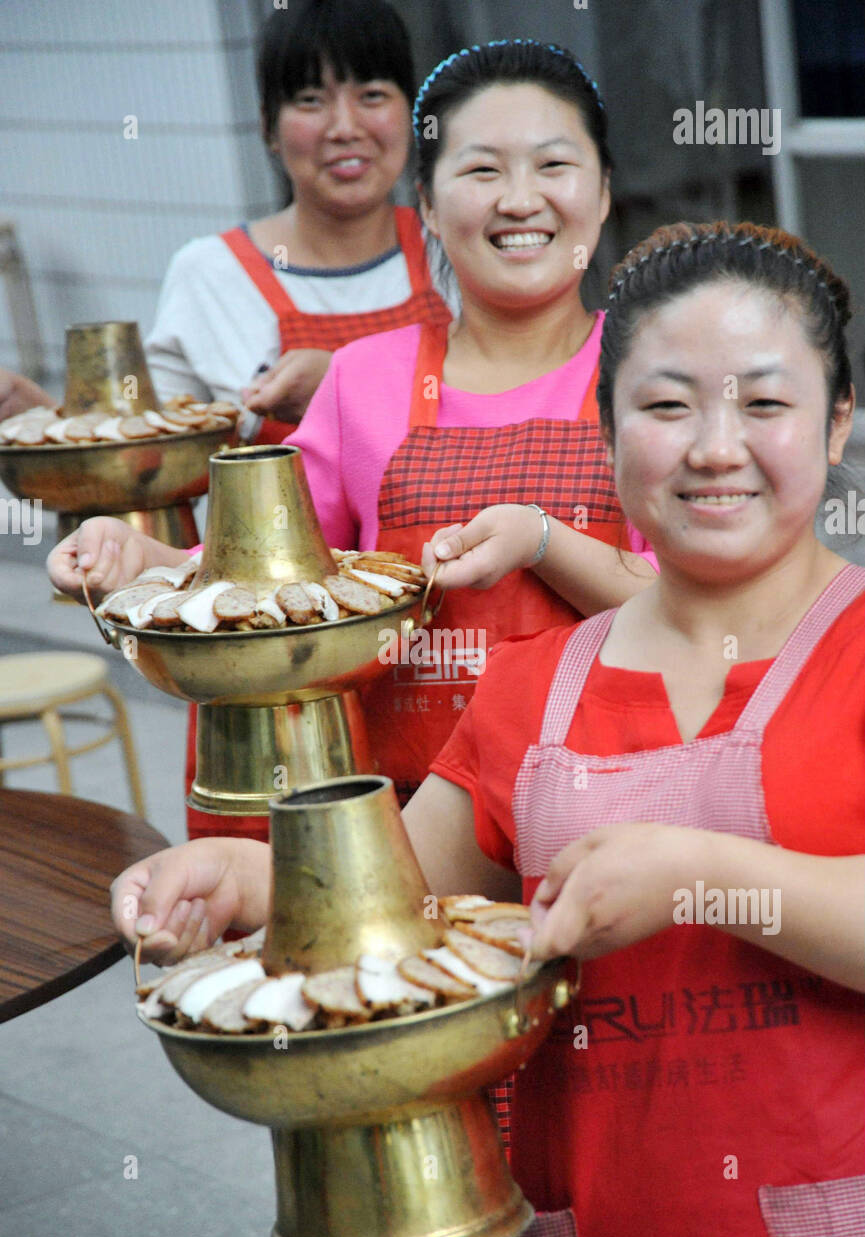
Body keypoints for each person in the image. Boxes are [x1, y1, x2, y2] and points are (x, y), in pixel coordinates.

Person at [108, 221, 864, 1237]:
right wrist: (239, 880)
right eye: (664, 404)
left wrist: (700, 878)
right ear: (604, 431)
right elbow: (397, 898)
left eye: (763, 402)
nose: (711, 446)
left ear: (835, 424)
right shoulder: (534, 683)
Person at [49, 40, 657, 831]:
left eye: (552, 166)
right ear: (429, 208)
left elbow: (691, 607)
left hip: (606, 818)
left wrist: (542, 541)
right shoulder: (362, 379)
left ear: (603, 192)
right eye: (480, 171)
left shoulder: (653, 381)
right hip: (392, 828)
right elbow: (275, 572)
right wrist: (151, 565)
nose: (518, 199)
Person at [1, 0, 451, 434]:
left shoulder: (455, 251)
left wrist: (345, 386)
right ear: (267, 127)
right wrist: (45, 423)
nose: (344, 128)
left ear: (410, 111)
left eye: (372, 95)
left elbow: (510, 400)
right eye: (311, 100)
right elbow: (154, 450)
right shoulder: (211, 275)